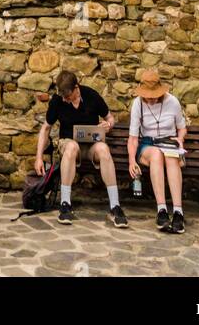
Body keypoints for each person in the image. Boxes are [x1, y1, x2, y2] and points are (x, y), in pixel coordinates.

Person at [34, 69, 129, 227]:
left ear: (76, 88)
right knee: (71, 146)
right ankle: (65, 205)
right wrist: (38, 158)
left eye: (68, 96)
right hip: (70, 144)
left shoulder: (91, 95)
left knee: (104, 150)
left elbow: (110, 118)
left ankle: (115, 206)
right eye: (63, 97)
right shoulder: (58, 100)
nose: (65, 100)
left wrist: (109, 125)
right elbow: (45, 128)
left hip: (91, 144)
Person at [127, 68, 188, 233]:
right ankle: (161, 209)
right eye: (147, 94)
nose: (150, 98)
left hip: (169, 143)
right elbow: (133, 138)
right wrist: (132, 161)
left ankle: (177, 211)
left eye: (154, 94)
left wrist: (180, 139)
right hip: (148, 145)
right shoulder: (138, 104)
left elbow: (182, 128)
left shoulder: (173, 102)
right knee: (156, 154)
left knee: (170, 157)